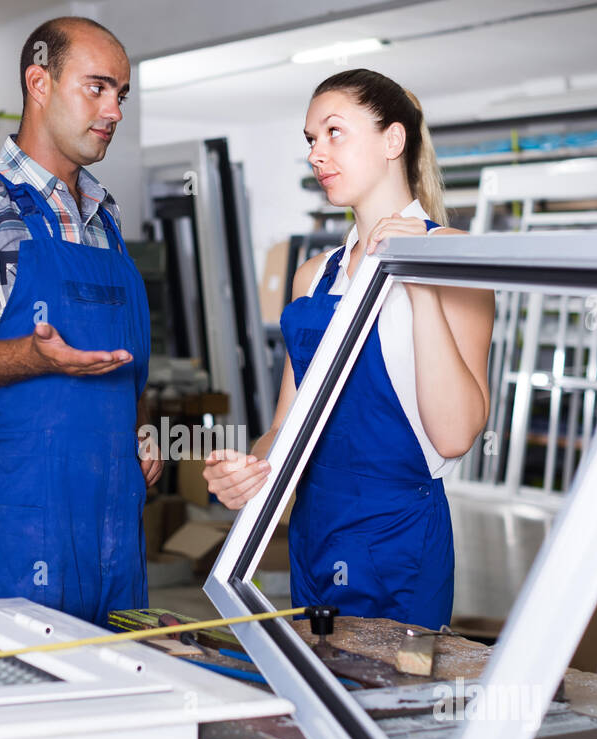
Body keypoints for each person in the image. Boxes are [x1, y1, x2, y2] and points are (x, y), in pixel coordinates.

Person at [203, 69, 495, 630]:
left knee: (394, 706)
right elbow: (288, 425)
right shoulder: (315, 276)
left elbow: (456, 434)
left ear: (393, 141)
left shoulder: (454, 256)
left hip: (400, 543)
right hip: (314, 532)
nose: (318, 153)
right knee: (319, 698)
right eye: (311, 140)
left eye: (334, 132)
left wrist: (421, 285)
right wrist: (249, 469)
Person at [0, 16, 161, 626]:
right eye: (98, 88)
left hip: (113, 526)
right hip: (15, 520)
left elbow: (122, 367)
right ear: (39, 82)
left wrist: (140, 429)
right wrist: (30, 357)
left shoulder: (104, 217)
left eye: (122, 95)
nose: (114, 110)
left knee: (121, 696)